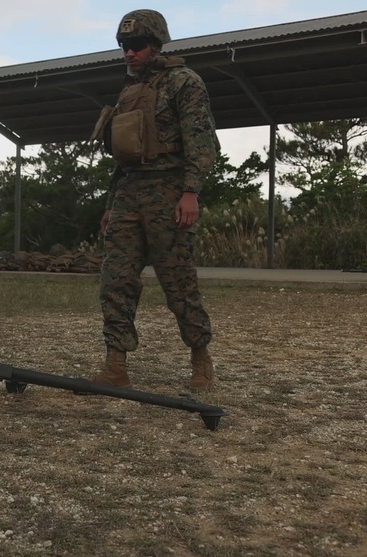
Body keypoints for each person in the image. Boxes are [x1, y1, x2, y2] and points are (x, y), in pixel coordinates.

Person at [90, 9, 218, 391]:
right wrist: (112, 204)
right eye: (124, 47)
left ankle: (201, 361)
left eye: (136, 46)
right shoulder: (128, 92)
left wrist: (190, 191)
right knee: (116, 280)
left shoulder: (184, 82)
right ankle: (116, 365)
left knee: (178, 282)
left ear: (156, 43)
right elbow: (123, 155)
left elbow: (202, 142)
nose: (129, 54)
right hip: (130, 192)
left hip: (169, 192)